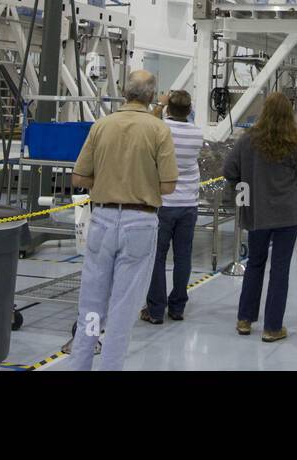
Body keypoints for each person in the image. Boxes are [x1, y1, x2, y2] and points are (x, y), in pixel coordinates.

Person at [69, 70, 178, 370]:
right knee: (122, 309)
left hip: (102, 219)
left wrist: (109, 180)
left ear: (124, 91)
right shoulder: (159, 130)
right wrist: (140, 182)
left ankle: (79, 364)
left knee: (90, 306)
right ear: (153, 96)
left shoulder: (101, 126)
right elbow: (168, 185)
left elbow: (78, 176)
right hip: (139, 223)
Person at [223, 92, 297, 342]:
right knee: (280, 269)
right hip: (288, 215)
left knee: (254, 263)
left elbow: (228, 169)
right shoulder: (294, 143)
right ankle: (273, 327)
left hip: (257, 212)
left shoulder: (247, 140)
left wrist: (245, 182)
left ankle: (244, 319)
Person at [141, 90, 204, 325]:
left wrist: (160, 103)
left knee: (157, 257)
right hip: (189, 204)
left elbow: (149, 122)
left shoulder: (162, 129)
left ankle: (156, 310)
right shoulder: (197, 134)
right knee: (183, 256)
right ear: (189, 111)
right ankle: (178, 307)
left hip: (164, 203)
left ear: (169, 109)